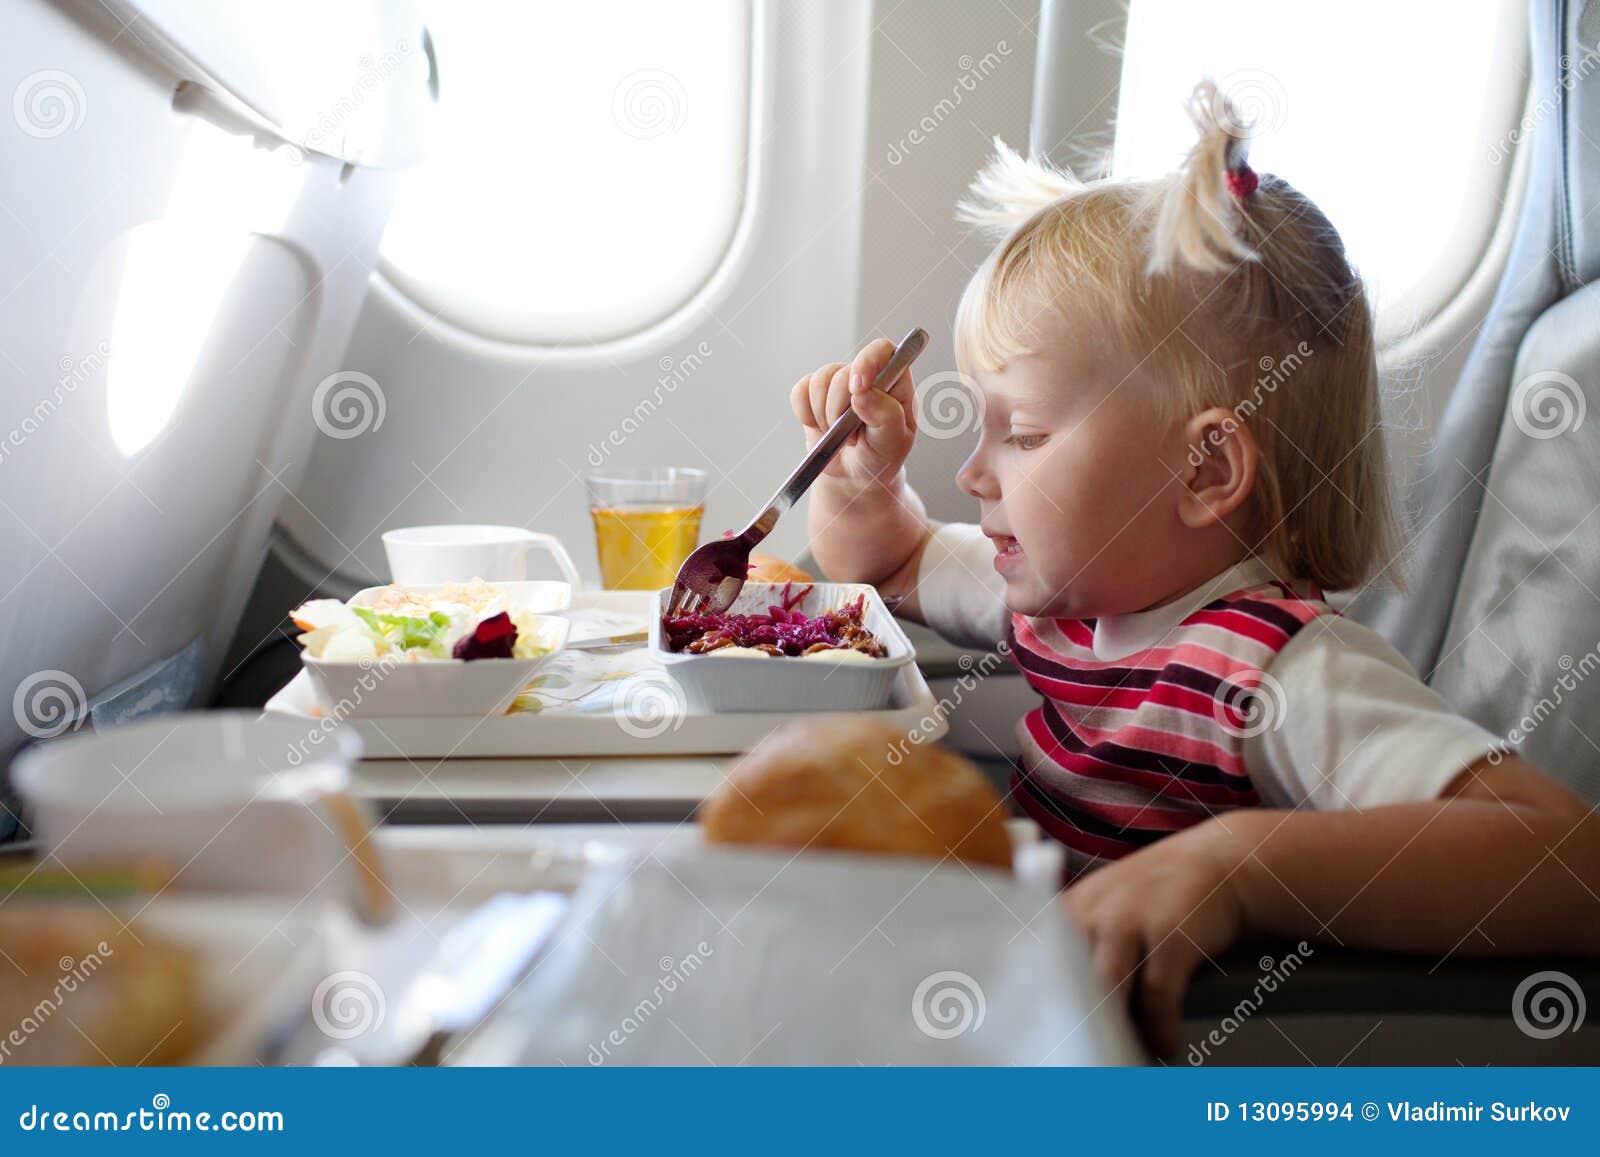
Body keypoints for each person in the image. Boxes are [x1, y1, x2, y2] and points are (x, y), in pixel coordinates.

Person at [792, 80, 1600, 1056]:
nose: (970, 472)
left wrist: (1237, 865)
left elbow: (1565, 859)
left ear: (1204, 468)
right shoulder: (1065, 601)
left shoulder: (1277, 673)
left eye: (1027, 433)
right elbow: (888, 560)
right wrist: (861, 480)